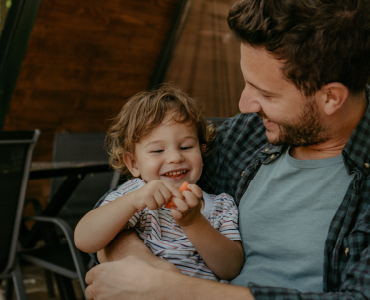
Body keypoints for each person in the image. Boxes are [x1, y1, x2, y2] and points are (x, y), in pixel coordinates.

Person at [83, 0, 370, 299]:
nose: (244, 104)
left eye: (265, 92)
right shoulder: (244, 137)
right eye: (247, 82)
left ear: (330, 97)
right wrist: (147, 268)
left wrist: (177, 292)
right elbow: (124, 204)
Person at [74, 85, 244, 282]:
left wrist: (194, 222)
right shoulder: (134, 195)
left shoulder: (221, 205)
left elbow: (231, 268)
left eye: (186, 146)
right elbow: (84, 240)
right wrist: (132, 202)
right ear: (133, 163)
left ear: (202, 151)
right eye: (157, 151)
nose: (174, 157)